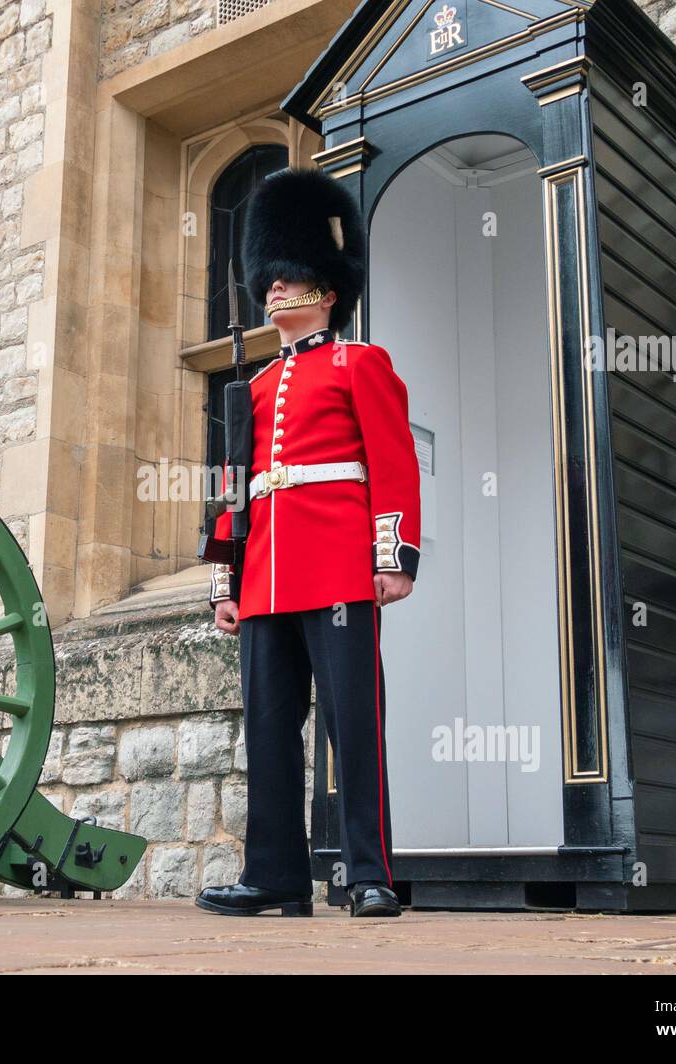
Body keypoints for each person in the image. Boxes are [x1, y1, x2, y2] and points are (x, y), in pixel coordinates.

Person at [196, 167, 421, 919]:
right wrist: (226, 583)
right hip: (264, 578)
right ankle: (277, 876)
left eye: (287, 278)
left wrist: (392, 556)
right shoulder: (254, 390)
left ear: (324, 288)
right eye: (271, 279)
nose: (272, 292)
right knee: (268, 732)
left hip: (336, 571)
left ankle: (368, 872)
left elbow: (391, 464)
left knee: (352, 724)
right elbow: (237, 491)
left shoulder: (362, 364)